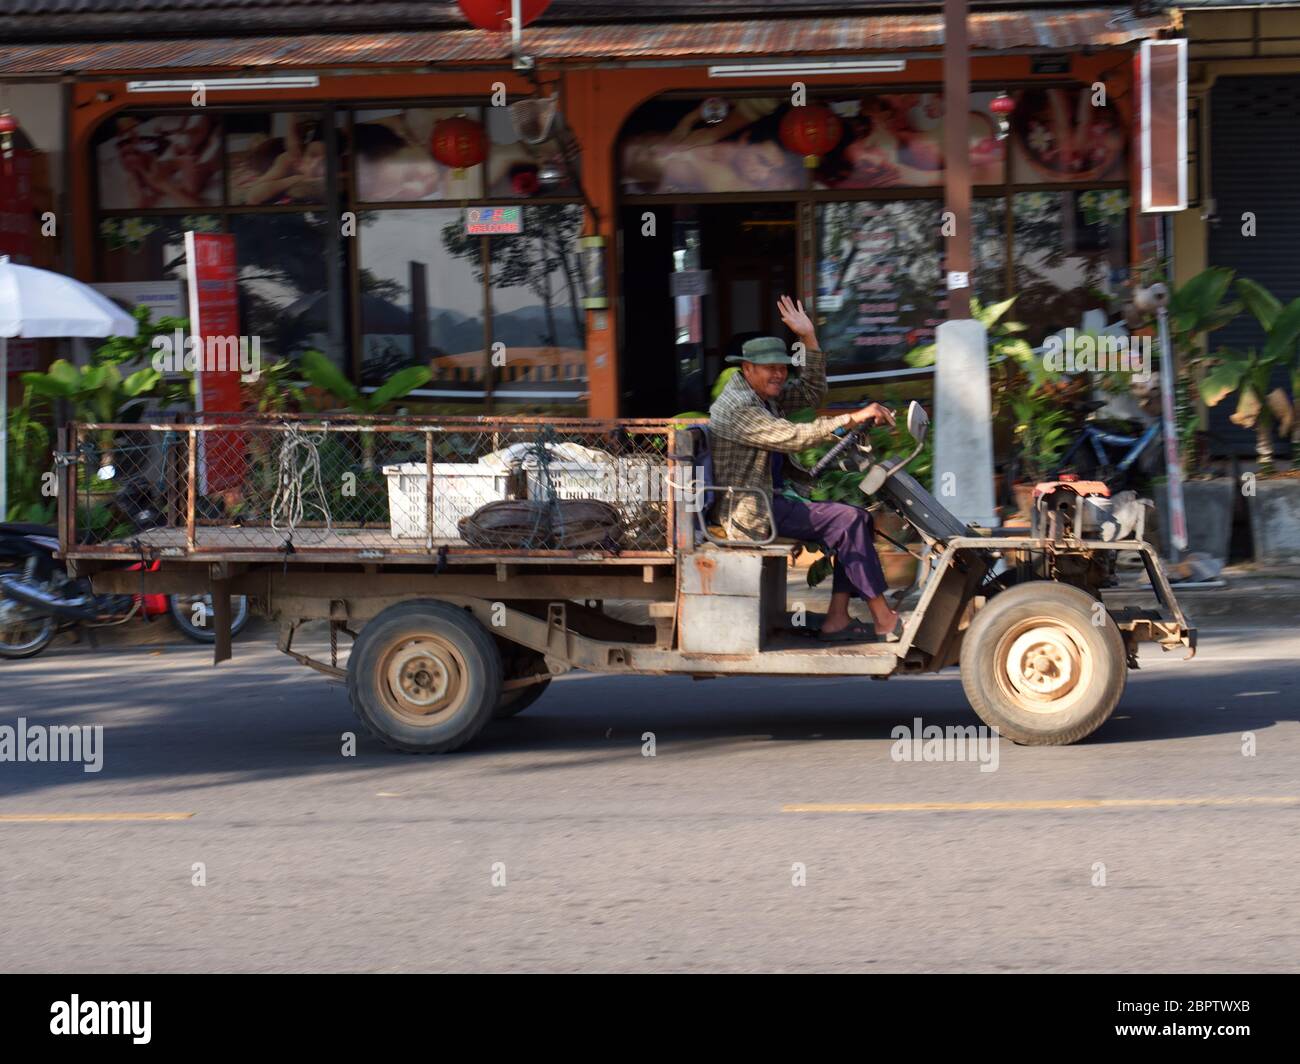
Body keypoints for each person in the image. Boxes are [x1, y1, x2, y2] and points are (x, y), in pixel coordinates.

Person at [708, 295, 900, 641]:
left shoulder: (762, 395)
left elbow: (812, 392)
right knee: (848, 520)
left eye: (782, 367)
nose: (779, 374)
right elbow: (793, 436)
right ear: (747, 368)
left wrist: (808, 336)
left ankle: (838, 618)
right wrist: (850, 418)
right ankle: (882, 617)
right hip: (752, 509)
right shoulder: (739, 406)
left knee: (857, 517)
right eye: (770, 368)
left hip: (774, 497)